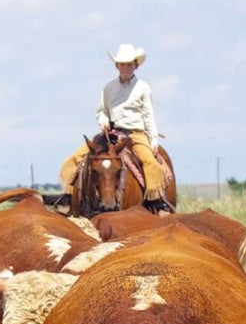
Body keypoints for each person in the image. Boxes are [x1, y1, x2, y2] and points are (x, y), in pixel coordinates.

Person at [60, 43, 170, 212]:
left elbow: (148, 116)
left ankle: (154, 203)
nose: (125, 67)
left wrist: (153, 140)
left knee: (151, 163)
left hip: (136, 135)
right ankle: (69, 199)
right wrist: (103, 120)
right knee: (73, 160)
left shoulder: (142, 88)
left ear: (136, 65)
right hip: (110, 133)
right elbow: (101, 111)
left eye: (129, 64)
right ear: (117, 66)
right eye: (122, 64)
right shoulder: (109, 88)